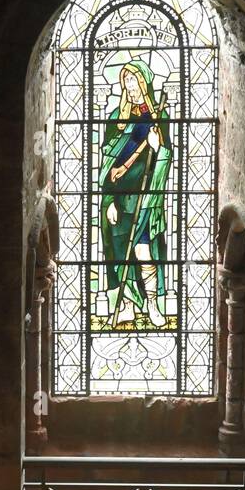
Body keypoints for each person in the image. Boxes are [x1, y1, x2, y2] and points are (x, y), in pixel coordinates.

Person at [99, 59, 172, 328]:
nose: (129, 86)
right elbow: (107, 162)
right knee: (120, 253)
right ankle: (127, 304)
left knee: (143, 251)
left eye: (133, 80)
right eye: (125, 81)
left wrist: (157, 146)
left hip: (145, 197)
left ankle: (152, 302)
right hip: (119, 197)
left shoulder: (158, 118)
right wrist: (108, 200)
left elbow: (166, 157)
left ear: (143, 82)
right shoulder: (115, 121)